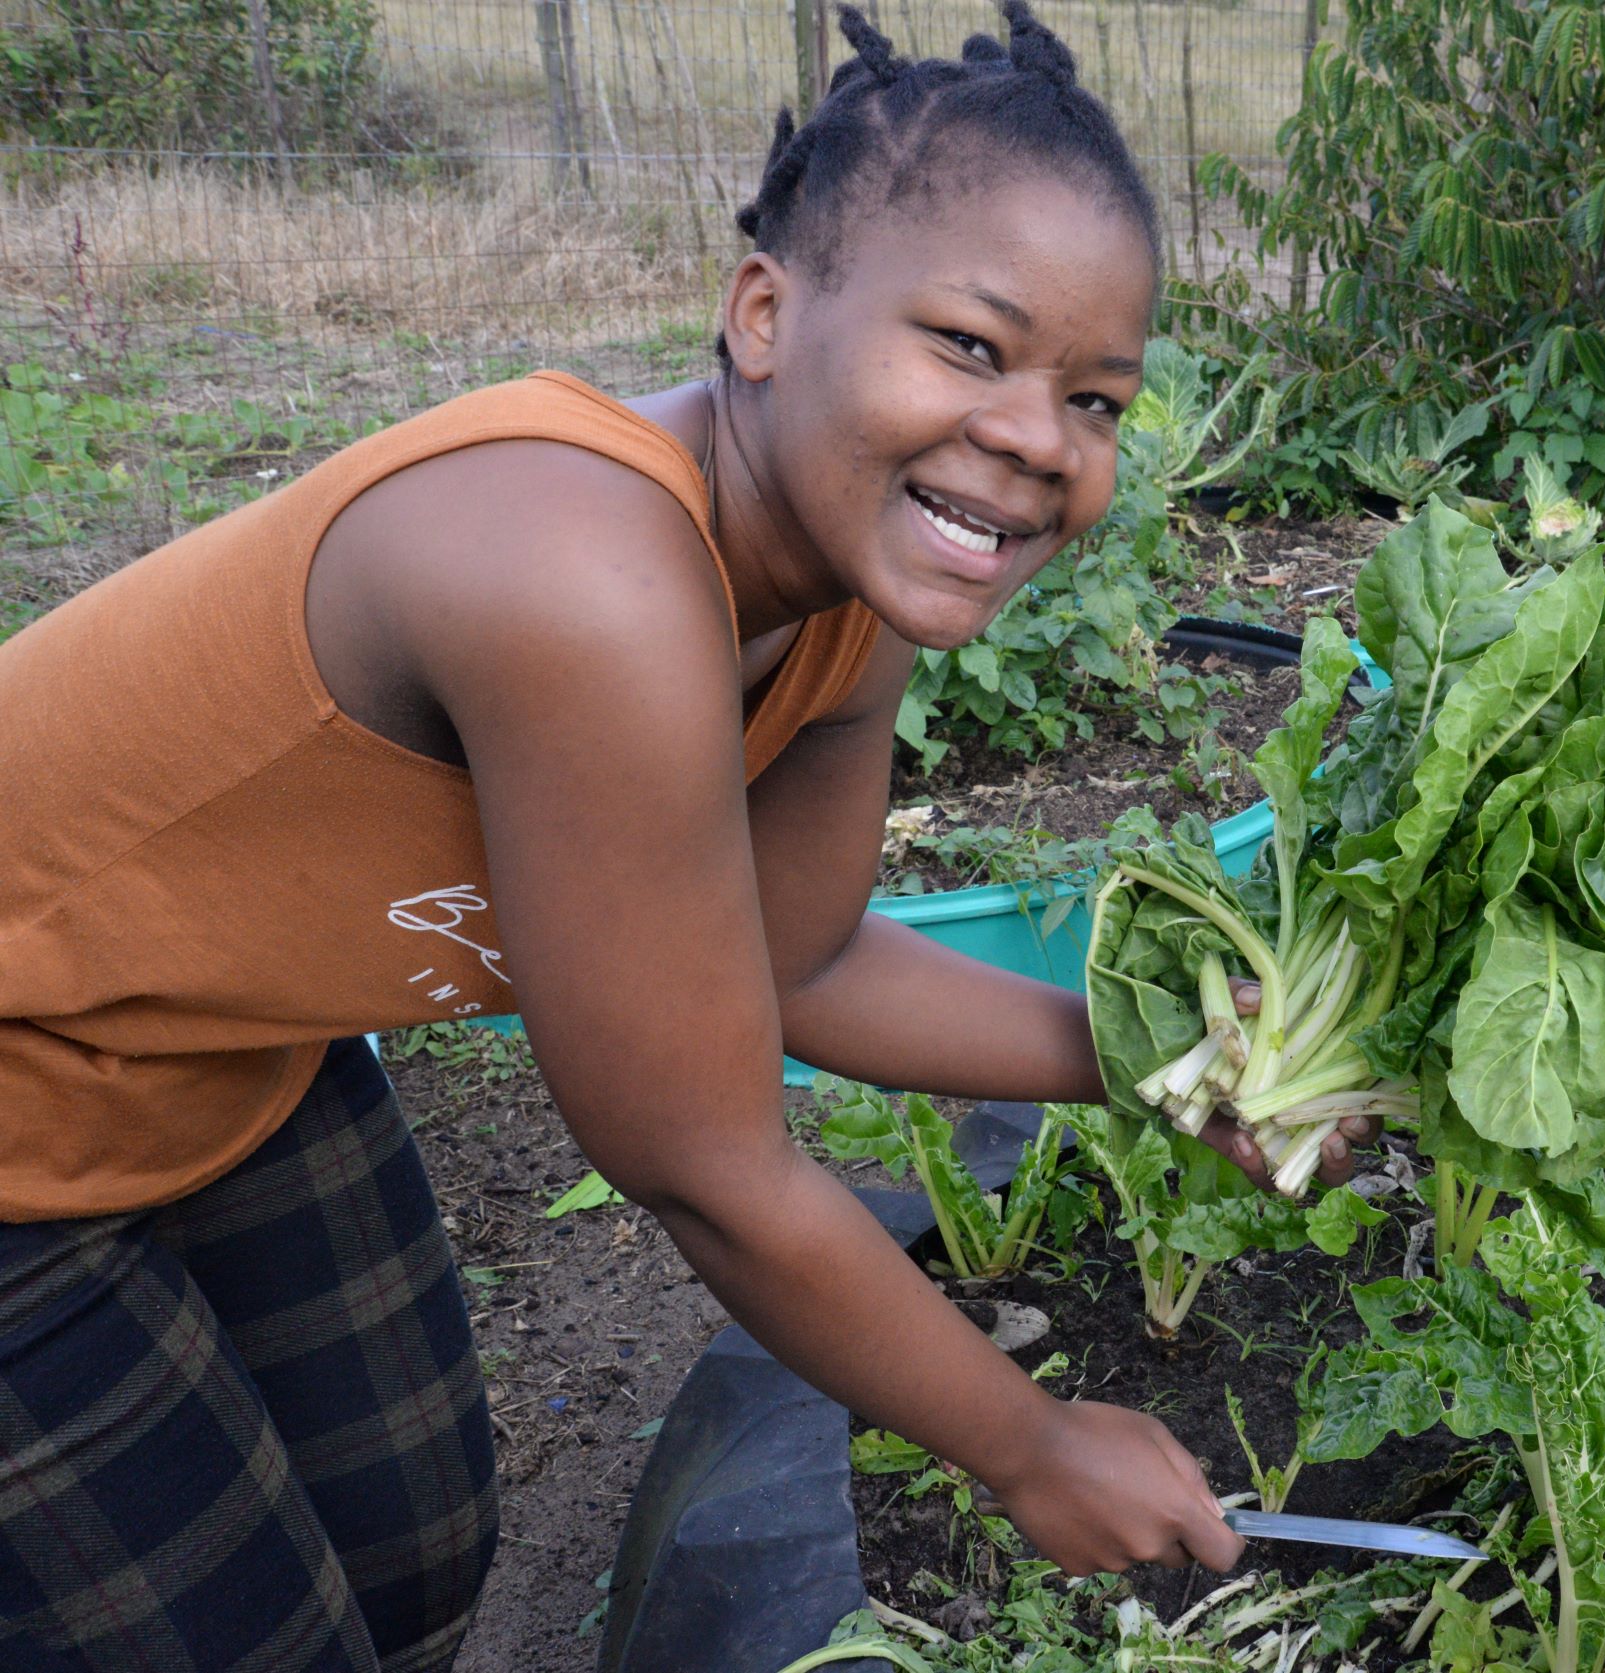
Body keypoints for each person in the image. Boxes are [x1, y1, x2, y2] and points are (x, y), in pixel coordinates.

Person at [0, 8, 1384, 1667]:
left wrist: (1168, 1066)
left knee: (416, 1546)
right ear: (764, 314)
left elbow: (793, 960)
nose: (1036, 434)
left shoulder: (842, 602)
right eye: (967, 344)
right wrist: (1028, 1443)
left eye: (1095, 396)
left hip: (219, 1053)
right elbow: (703, 1160)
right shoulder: (581, 572)